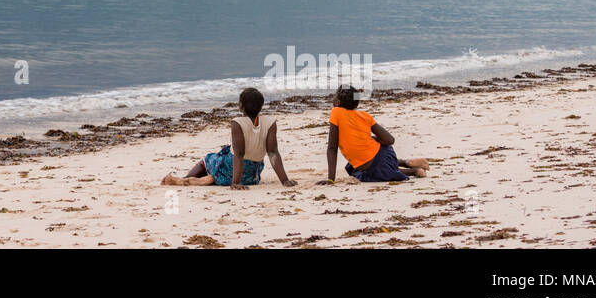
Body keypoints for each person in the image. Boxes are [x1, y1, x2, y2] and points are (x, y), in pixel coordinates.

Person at [162, 87, 297, 187]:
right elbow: (273, 153)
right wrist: (284, 180)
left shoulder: (237, 123)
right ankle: (209, 179)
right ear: (261, 106)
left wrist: (235, 183)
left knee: (209, 159)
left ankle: (186, 178)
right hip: (252, 178)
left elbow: (239, 154)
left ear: (241, 107)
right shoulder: (270, 123)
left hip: (232, 174)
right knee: (226, 154)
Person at [318, 85, 428, 183]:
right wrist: (374, 138)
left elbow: (332, 148)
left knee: (360, 171)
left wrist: (331, 179)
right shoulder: (364, 116)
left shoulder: (336, 112)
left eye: (335, 95)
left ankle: (414, 170)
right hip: (386, 156)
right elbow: (390, 140)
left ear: (337, 102)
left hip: (373, 166)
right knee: (372, 166)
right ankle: (406, 163)